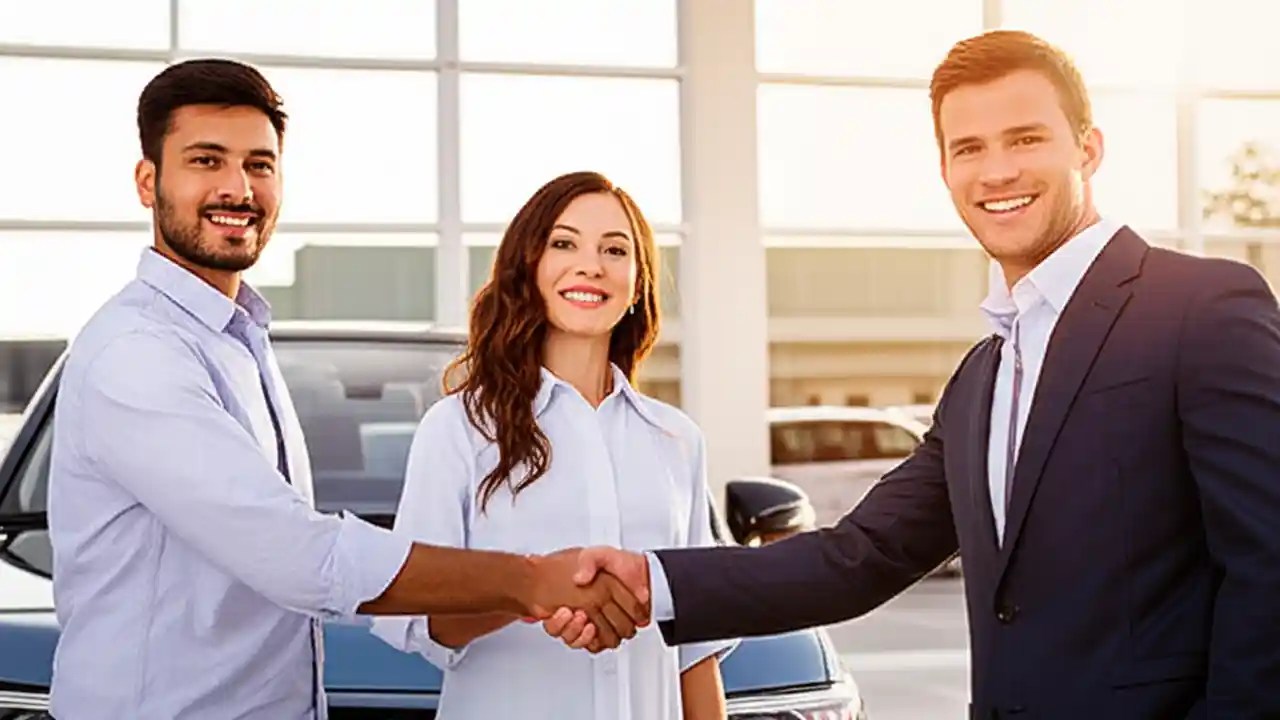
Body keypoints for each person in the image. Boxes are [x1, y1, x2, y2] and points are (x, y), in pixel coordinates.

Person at [567, 30, 1280, 718]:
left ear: (1088, 150)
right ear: (945, 171)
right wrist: (651, 580)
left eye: (1025, 138)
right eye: (967, 147)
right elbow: (863, 556)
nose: (996, 171)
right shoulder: (980, 379)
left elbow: (1269, 563)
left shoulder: (1201, 307)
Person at [45, 59, 645, 720]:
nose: (238, 188)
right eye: (206, 161)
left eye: (260, 164)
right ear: (147, 181)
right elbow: (297, 555)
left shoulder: (237, 339)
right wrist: (532, 581)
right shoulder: (138, 353)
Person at [369, 171, 736, 719]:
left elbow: (695, 650)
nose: (591, 264)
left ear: (637, 286)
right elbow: (418, 620)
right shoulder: (459, 429)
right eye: (564, 243)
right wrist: (531, 591)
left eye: (615, 249)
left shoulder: (676, 440)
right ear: (530, 268)